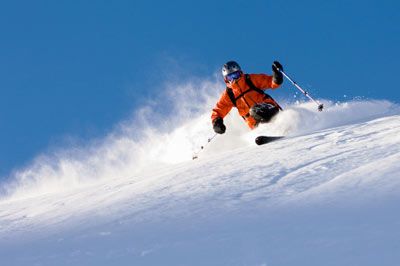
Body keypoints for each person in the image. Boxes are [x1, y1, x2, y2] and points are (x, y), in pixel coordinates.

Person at [211, 61, 284, 134]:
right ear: (226, 79)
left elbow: (270, 82)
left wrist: (277, 76)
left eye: (235, 75)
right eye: (230, 77)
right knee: (252, 114)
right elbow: (219, 109)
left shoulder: (250, 80)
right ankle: (267, 133)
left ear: (240, 73)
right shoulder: (229, 94)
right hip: (256, 125)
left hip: (269, 110)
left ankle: (279, 123)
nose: (234, 79)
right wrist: (217, 122)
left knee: (254, 110)